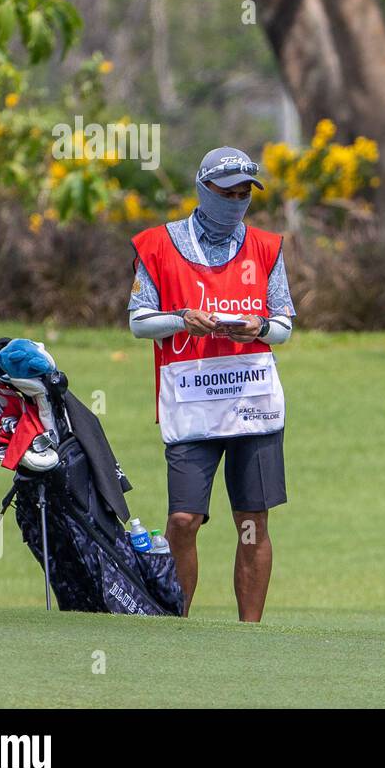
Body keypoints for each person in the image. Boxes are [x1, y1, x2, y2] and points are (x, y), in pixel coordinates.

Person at [127, 147, 294, 622]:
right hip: (191, 400)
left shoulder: (265, 247)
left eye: (245, 194)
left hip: (251, 399)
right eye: (228, 193)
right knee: (183, 520)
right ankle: (177, 623)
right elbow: (139, 323)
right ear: (203, 191)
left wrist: (258, 328)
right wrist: (181, 320)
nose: (237, 202)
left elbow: (283, 324)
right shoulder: (158, 246)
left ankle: (249, 634)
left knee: (252, 522)